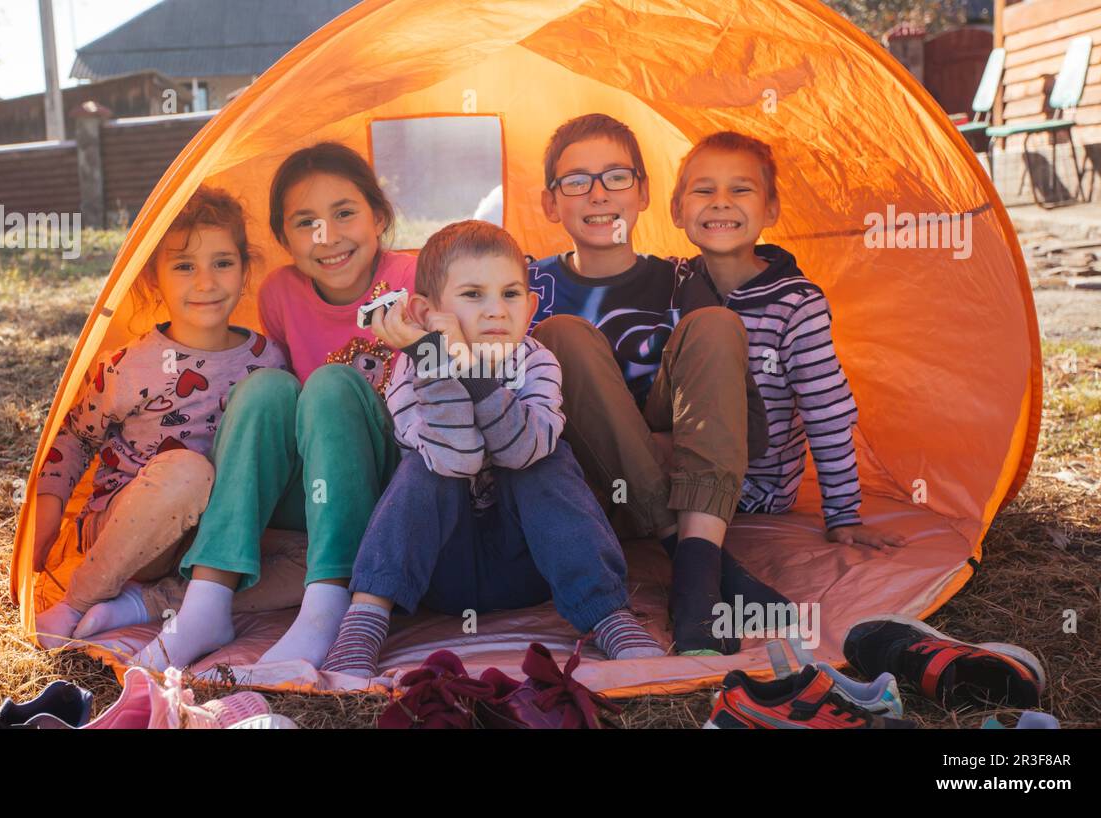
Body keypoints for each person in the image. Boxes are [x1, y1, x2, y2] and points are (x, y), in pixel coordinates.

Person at [319, 220, 664, 679]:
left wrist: (473, 371)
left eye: (510, 295)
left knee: (547, 458)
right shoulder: (409, 368)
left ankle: (608, 614)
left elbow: (523, 450)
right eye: (473, 294)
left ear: (530, 307)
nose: (496, 311)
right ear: (425, 312)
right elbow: (453, 460)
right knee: (423, 470)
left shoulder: (536, 360)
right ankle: (364, 621)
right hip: (440, 570)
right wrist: (439, 361)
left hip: (530, 565)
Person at [130, 142, 418, 671]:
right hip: (323, 493)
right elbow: (286, 416)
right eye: (305, 223)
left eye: (344, 214)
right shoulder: (280, 293)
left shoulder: (413, 279)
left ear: (378, 216)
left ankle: (328, 604)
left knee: (331, 385)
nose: (326, 237)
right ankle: (207, 601)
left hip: (397, 483)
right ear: (284, 239)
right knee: (266, 388)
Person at [528, 113, 779, 654]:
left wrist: (665, 446)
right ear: (551, 203)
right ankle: (699, 569)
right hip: (587, 492)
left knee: (715, 323)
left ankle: (694, 583)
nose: (598, 194)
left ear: (642, 192)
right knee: (561, 335)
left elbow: (748, 433)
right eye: (576, 181)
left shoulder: (683, 280)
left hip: (696, 490)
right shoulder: (529, 288)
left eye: (616, 176)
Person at [31, 186, 287, 649]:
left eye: (223, 263)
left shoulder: (271, 361)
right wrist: (42, 528)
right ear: (155, 278)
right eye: (184, 266)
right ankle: (79, 602)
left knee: (322, 560)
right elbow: (74, 439)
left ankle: (149, 604)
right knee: (188, 471)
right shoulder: (129, 364)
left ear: (245, 270)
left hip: (216, 543)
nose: (205, 282)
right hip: (132, 529)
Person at [668, 131, 904, 547]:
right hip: (676, 468)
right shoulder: (671, 285)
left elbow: (827, 413)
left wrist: (843, 515)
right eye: (704, 190)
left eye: (740, 189)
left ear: (771, 210)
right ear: (676, 210)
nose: (721, 201)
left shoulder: (796, 304)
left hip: (753, 490)